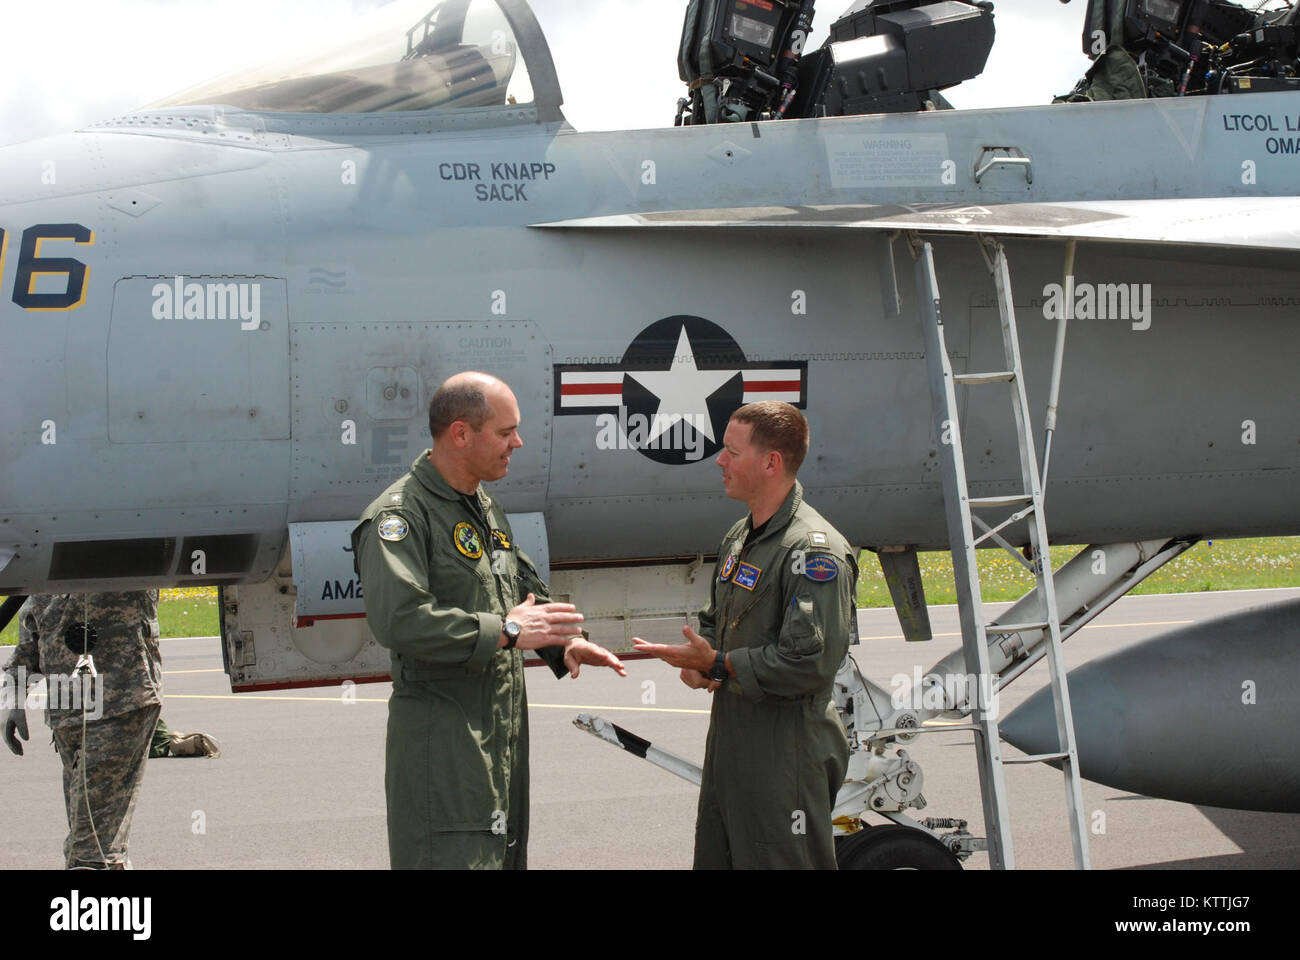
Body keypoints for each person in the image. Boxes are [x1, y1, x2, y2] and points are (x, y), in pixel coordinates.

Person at [352, 371, 626, 870]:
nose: (517, 443)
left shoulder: (483, 508)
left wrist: (564, 641)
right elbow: (401, 620)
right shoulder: (400, 516)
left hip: (499, 738)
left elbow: (519, 591)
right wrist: (508, 632)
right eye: (505, 433)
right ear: (461, 433)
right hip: (446, 749)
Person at [634, 402, 858, 869]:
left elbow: (808, 666)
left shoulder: (814, 552)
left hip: (786, 758)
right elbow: (718, 621)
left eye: (731, 451)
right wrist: (702, 663)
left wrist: (719, 665)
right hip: (733, 749)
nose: (719, 460)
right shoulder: (741, 536)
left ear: (771, 462)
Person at [2, 591, 163, 869]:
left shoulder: (122, 565)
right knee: (91, 833)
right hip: (68, 717)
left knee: (90, 849)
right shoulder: (48, 571)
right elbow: (31, 632)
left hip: (120, 706)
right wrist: (13, 696)